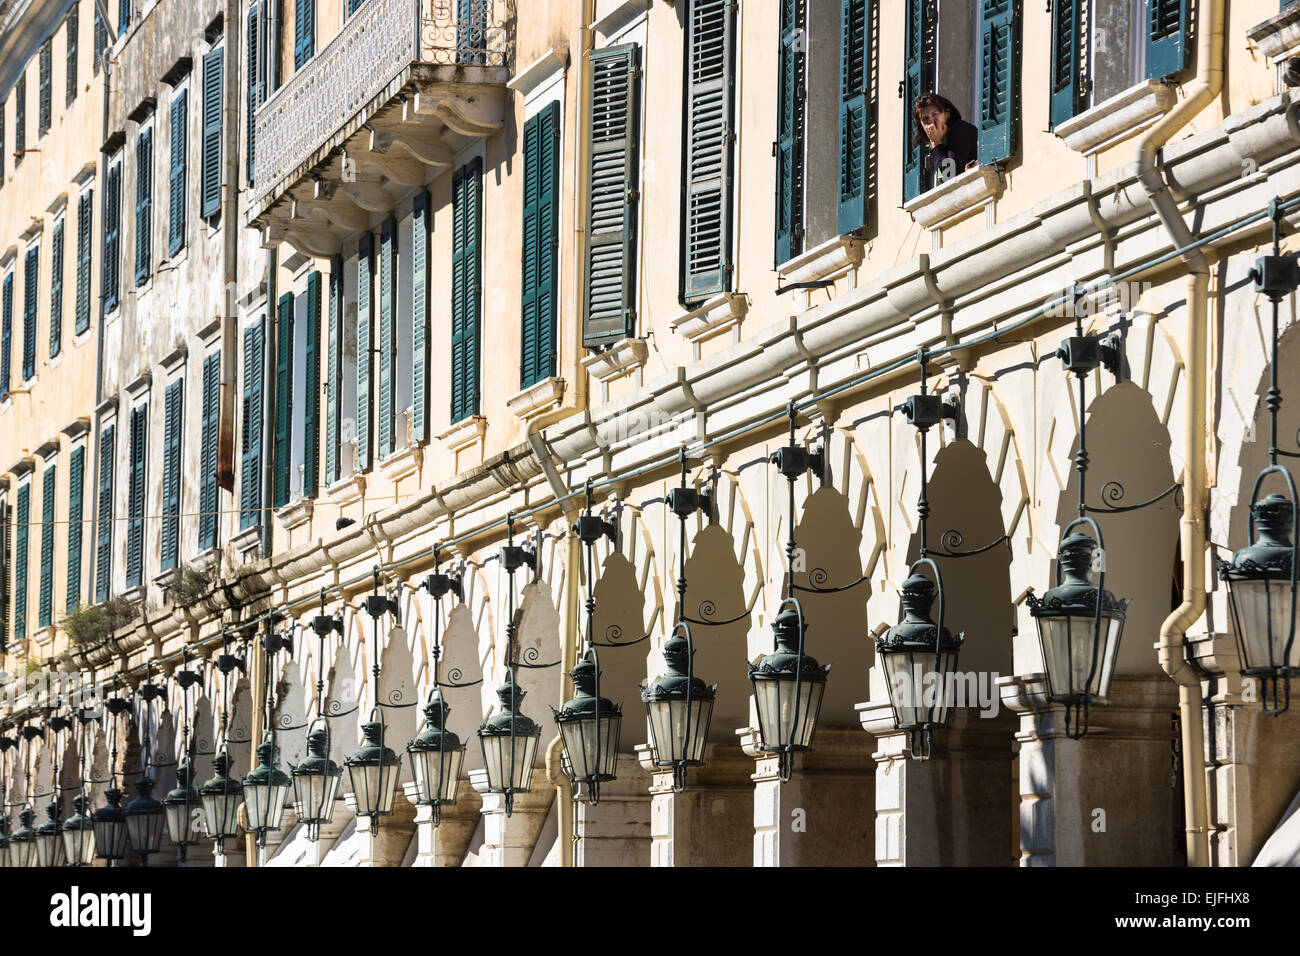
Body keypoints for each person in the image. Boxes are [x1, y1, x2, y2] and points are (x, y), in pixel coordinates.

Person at [911, 93, 978, 184]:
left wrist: (936, 143)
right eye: (925, 118)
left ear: (947, 114)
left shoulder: (960, 130)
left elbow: (949, 177)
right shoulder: (938, 143)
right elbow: (941, 178)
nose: (931, 121)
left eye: (935, 114)